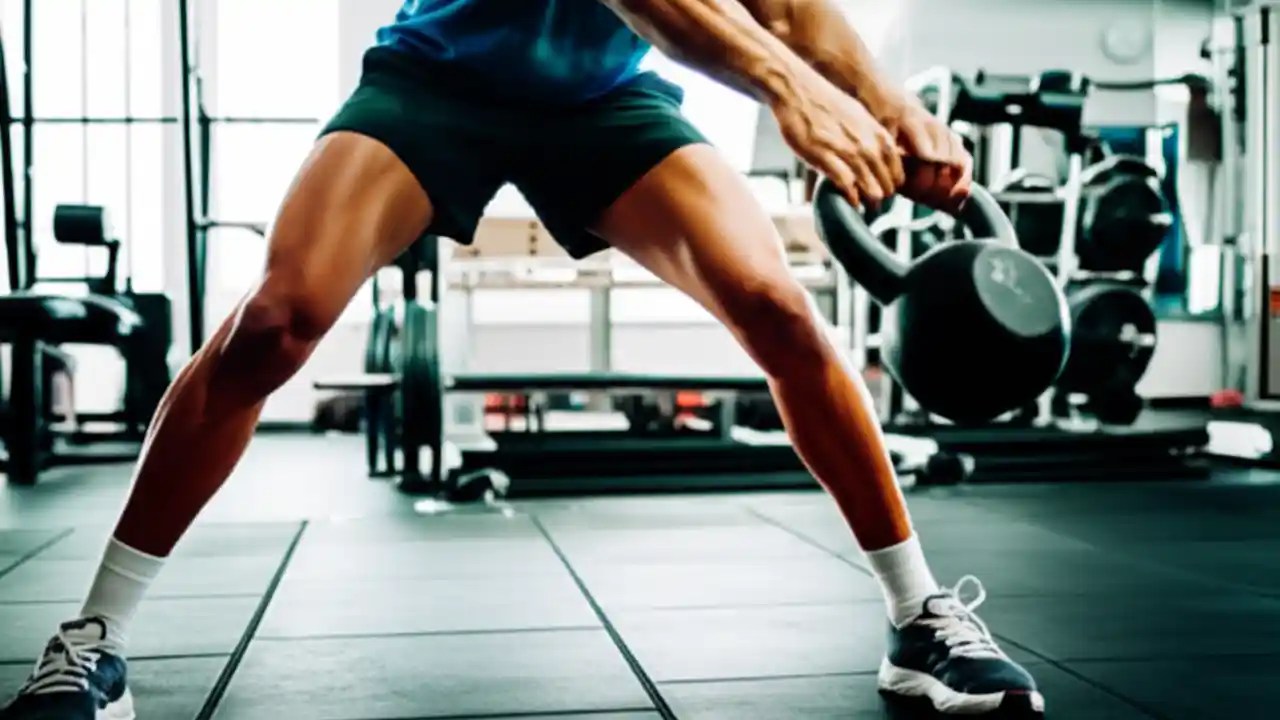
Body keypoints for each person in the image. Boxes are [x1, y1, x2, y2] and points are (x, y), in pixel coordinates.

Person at [1, 1, 1044, 718]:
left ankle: (916, 618)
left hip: (599, 102)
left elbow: (788, 7)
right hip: (435, 82)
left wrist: (888, 101)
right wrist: (786, 90)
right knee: (278, 319)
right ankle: (94, 641)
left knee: (775, 304)